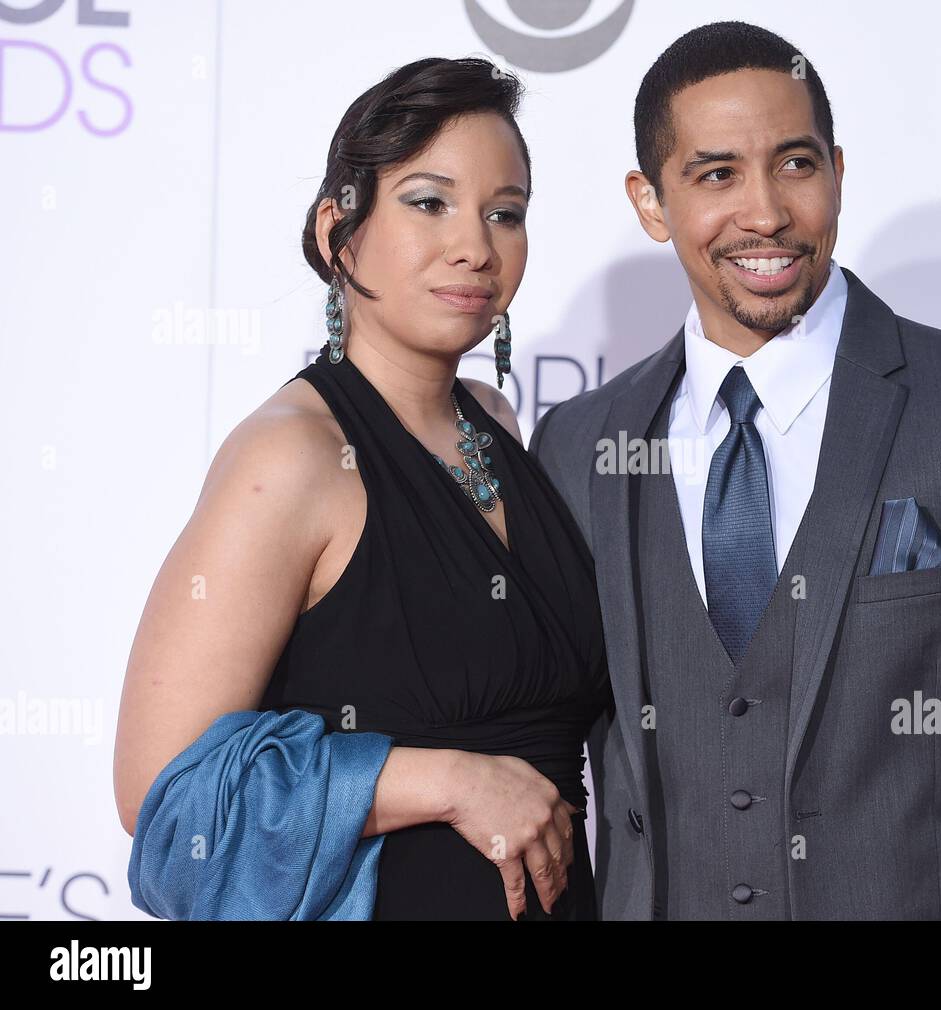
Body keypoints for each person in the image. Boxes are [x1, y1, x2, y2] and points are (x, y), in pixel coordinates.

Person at [529, 22, 941, 920]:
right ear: (650, 202)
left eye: (795, 164)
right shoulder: (579, 444)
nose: (766, 214)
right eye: (716, 175)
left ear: (837, 170)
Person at [115, 56, 612, 921]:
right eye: (430, 202)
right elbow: (165, 802)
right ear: (336, 229)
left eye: (507, 213)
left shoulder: (494, 419)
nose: (476, 245)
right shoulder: (291, 456)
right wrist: (445, 780)